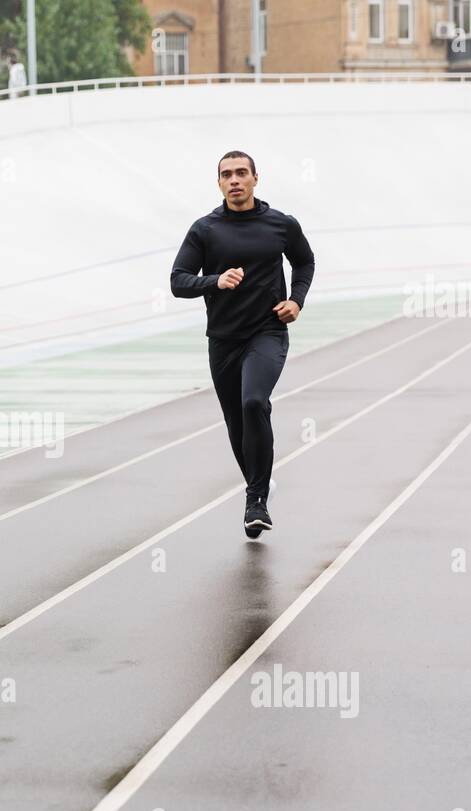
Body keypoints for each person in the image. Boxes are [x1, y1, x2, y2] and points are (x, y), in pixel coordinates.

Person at [170, 150, 315, 539]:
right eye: (226, 175)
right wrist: (214, 281)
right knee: (237, 423)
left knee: (253, 402)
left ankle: (256, 500)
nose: (234, 180)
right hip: (223, 339)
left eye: (240, 173)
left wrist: (296, 301)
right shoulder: (205, 230)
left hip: (267, 332)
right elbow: (178, 280)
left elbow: (304, 262)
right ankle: (258, 487)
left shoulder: (281, 224)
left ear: (255, 178)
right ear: (219, 183)